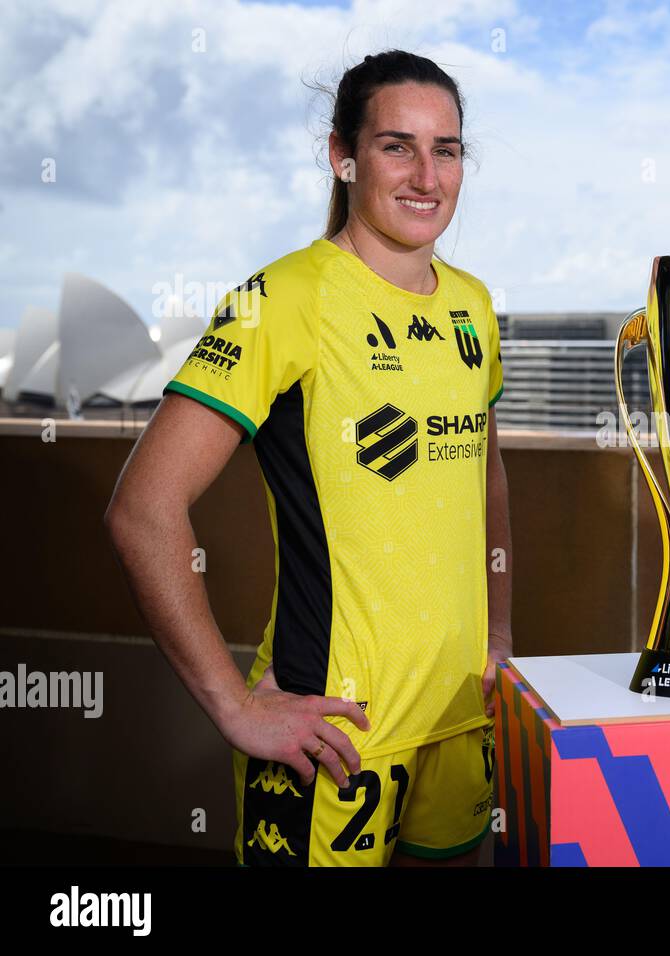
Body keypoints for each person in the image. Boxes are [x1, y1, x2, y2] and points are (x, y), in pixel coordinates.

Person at [105, 50, 512, 867]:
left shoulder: (473, 304)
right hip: (333, 734)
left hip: (462, 717)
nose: (427, 175)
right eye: (398, 146)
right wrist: (232, 704)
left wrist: (498, 634)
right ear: (343, 155)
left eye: (448, 149)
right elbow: (142, 509)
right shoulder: (284, 298)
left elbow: (485, 470)